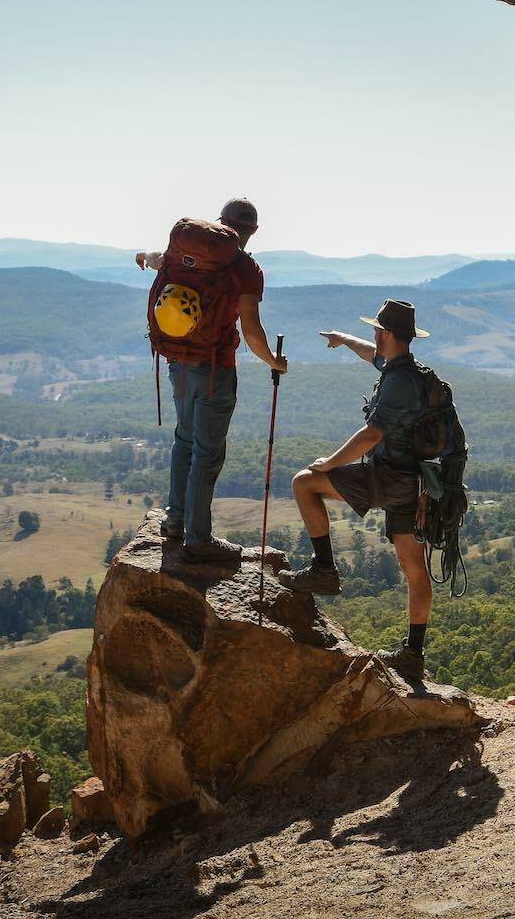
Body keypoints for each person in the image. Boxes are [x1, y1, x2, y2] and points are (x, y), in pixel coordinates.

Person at [276, 298, 435, 677]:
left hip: (388, 478)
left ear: (388, 334)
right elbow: (372, 356)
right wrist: (344, 339)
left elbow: (372, 434)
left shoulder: (398, 382)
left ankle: (324, 570)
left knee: (304, 483)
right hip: (414, 483)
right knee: (415, 568)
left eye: (376, 331)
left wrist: (330, 463)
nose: (373, 336)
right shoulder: (407, 369)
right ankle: (413, 654)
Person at [135, 197, 287, 564]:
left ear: (221, 223)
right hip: (216, 369)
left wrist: (142, 255)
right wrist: (274, 361)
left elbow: (154, 258)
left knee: (184, 440)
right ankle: (198, 539)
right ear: (251, 231)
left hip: (177, 362)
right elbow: (250, 327)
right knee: (208, 452)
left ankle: (176, 522)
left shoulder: (182, 253)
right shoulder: (245, 268)